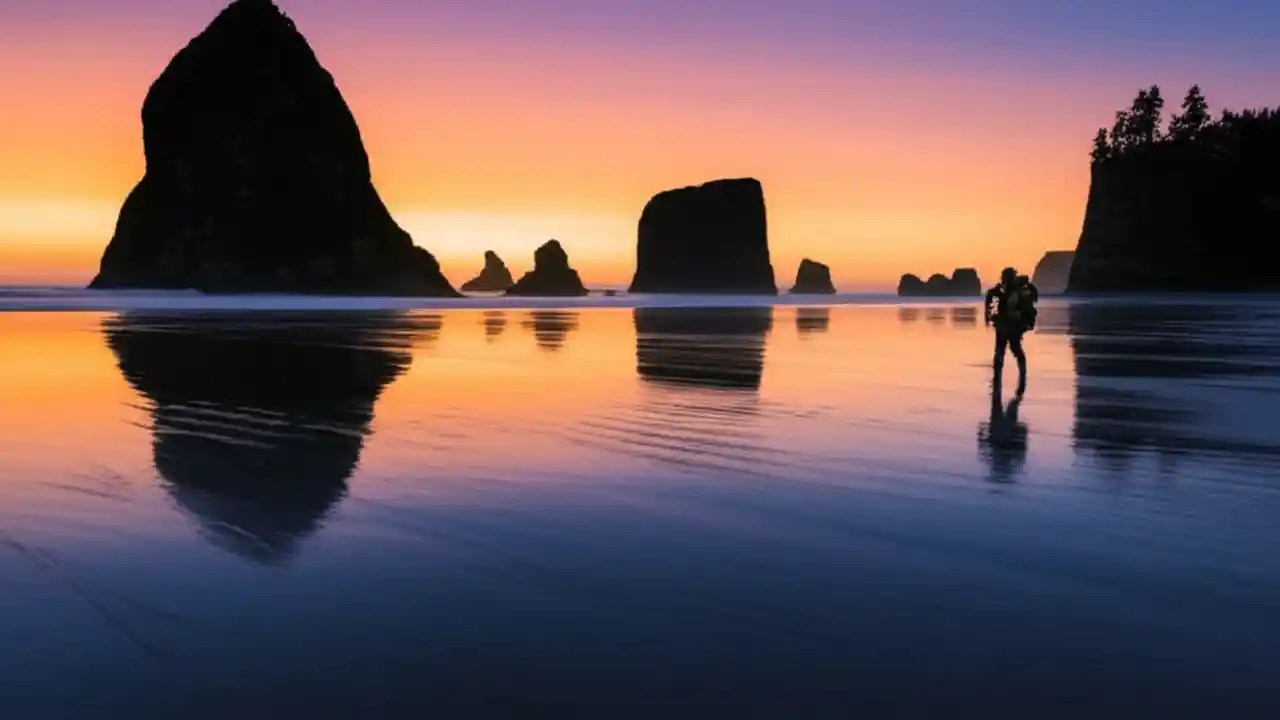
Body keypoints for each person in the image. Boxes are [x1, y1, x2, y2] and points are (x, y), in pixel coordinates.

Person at [984, 267, 1036, 393]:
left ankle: (1022, 375)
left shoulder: (1018, 291)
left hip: (1013, 326)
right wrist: (989, 315)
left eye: (1005, 276)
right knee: (1001, 351)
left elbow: (1027, 306)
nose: (1003, 279)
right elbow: (991, 298)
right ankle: (998, 379)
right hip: (1003, 325)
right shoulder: (1002, 290)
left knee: (1014, 349)